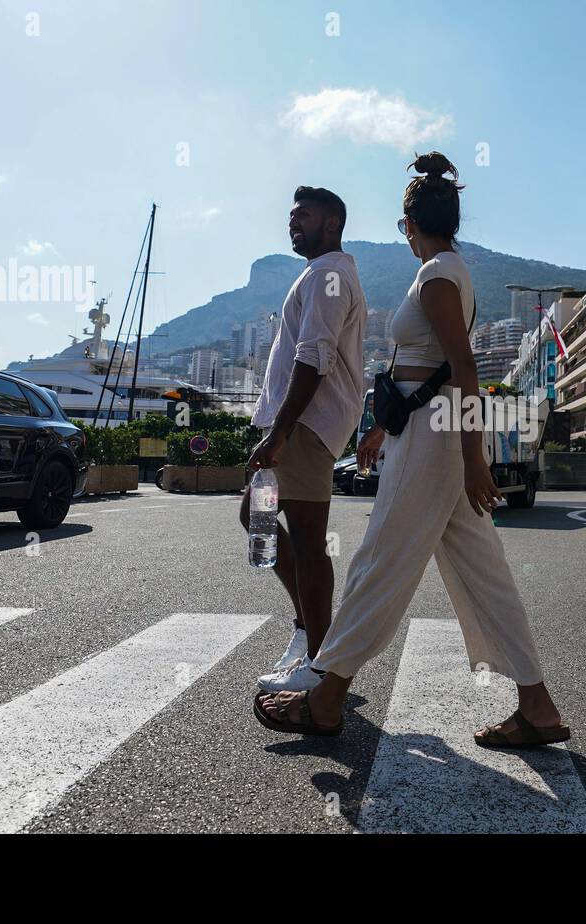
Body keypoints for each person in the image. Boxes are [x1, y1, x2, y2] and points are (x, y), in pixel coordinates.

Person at [255, 152, 570, 748]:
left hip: (436, 439)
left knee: (380, 558)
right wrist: (384, 428)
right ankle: (537, 705)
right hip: (425, 429)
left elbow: (465, 369)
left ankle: (327, 695)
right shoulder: (451, 270)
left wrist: (474, 458)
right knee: (484, 572)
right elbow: (432, 370)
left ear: (409, 225)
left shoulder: (437, 277)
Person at [242, 187, 368, 694]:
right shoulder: (319, 273)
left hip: (305, 428)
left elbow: (314, 355)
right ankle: (309, 634)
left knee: (308, 541)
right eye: (291, 216)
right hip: (297, 427)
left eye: (304, 216)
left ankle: (318, 658)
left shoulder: (329, 275)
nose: (293, 223)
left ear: (332, 222)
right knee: (256, 518)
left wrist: (280, 430)